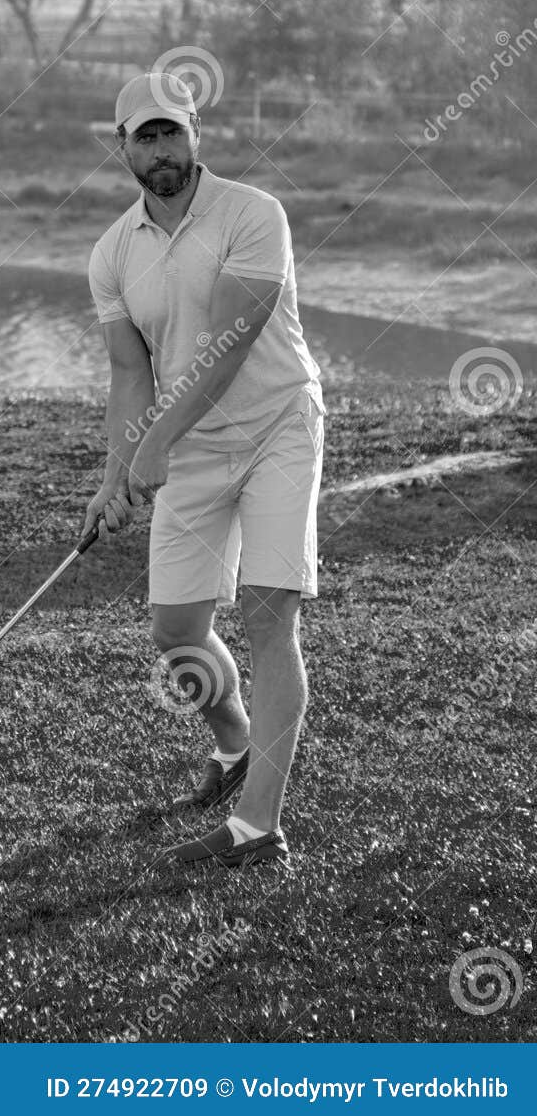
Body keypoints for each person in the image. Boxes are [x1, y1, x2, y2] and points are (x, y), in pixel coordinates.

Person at [82, 70, 325, 868]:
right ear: (122, 147)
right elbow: (129, 375)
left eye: (172, 132)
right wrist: (116, 474)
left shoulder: (255, 215)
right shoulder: (112, 254)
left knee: (267, 618)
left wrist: (153, 449)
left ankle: (259, 829)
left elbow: (228, 346)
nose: (161, 151)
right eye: (144, 137)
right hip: (191, 449)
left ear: (196, 134)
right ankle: (238, 747)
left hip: (275, 428)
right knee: (176, 635)